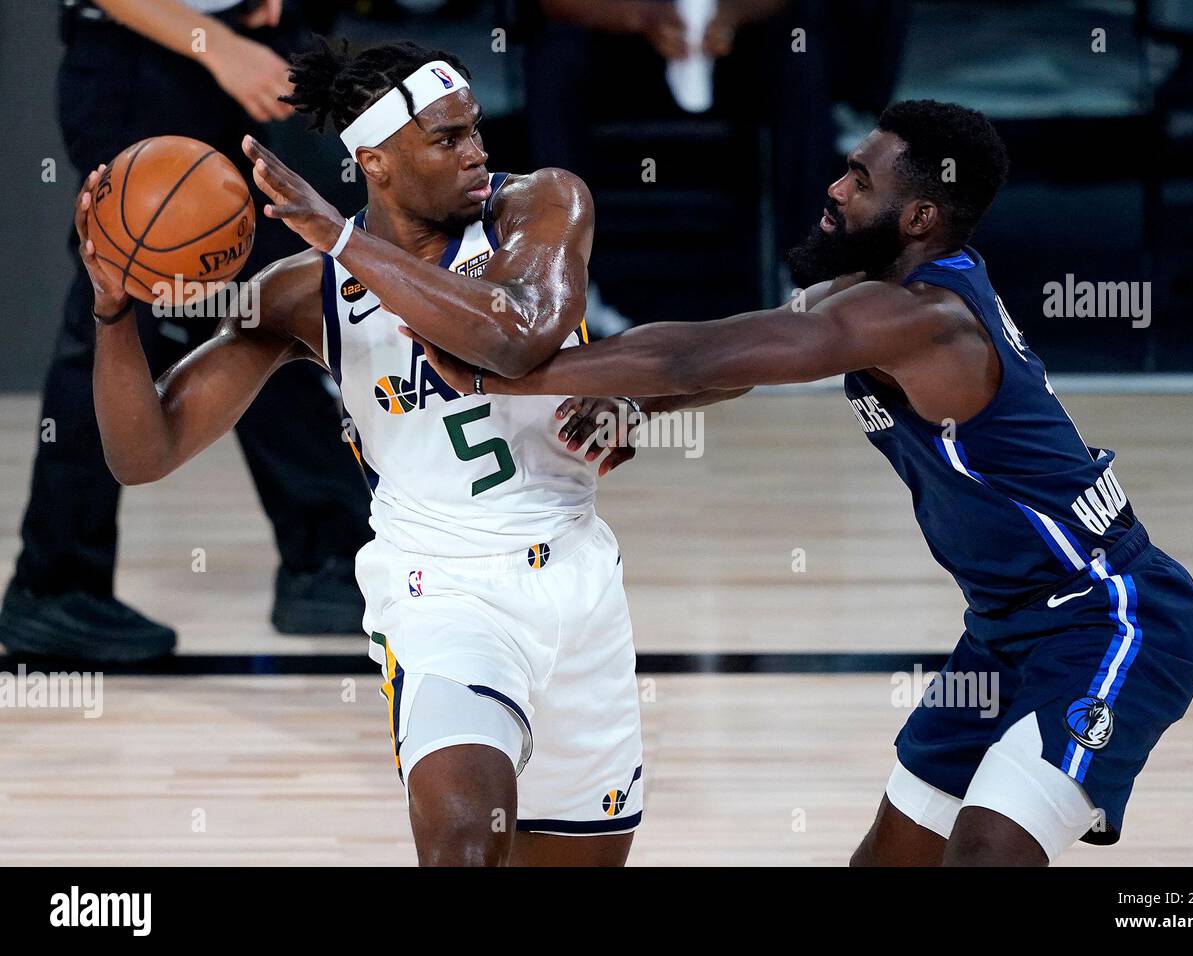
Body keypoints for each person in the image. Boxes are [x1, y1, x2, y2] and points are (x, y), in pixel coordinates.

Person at [411, 100, 1193, 866]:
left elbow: (693, 355)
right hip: (1004, 627)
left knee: (987, 853)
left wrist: (504, 372)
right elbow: (744, 362)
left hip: (1110, 616)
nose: (835, 188)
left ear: (919, 216)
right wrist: (632, 402)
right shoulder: (870, 295)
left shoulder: (924, 318)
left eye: (860, 180)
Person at [79, 38, 718, 866]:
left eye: (474, 128)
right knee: (463, 842)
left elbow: (517, 335)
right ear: (375, 162)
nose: (476, 151)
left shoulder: (538, 205)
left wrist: (625, 402)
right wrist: (112, 312)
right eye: (447, 139)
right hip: (437, 593)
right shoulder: (304, 295)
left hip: (578, 579)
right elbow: (145, 454)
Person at [0, 0, 370, 663]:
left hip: (210, 59)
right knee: (117, 309)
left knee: (257, 302)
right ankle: (54, 584)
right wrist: (214, 43)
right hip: (146, 61)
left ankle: (328, 559)